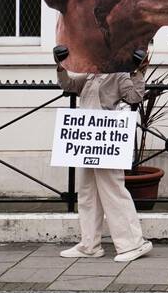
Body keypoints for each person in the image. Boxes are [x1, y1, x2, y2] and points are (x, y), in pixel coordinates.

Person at [54, 57, 152, 263]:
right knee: (87, 192)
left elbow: (134, 97)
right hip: (87, 139)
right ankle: (89, 244)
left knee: (113, 189)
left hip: (107, 139)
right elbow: (68, 84)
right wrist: (60, 66)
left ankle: (133, 243)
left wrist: (138, 72)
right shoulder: (90, 73)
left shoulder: (118, 74)